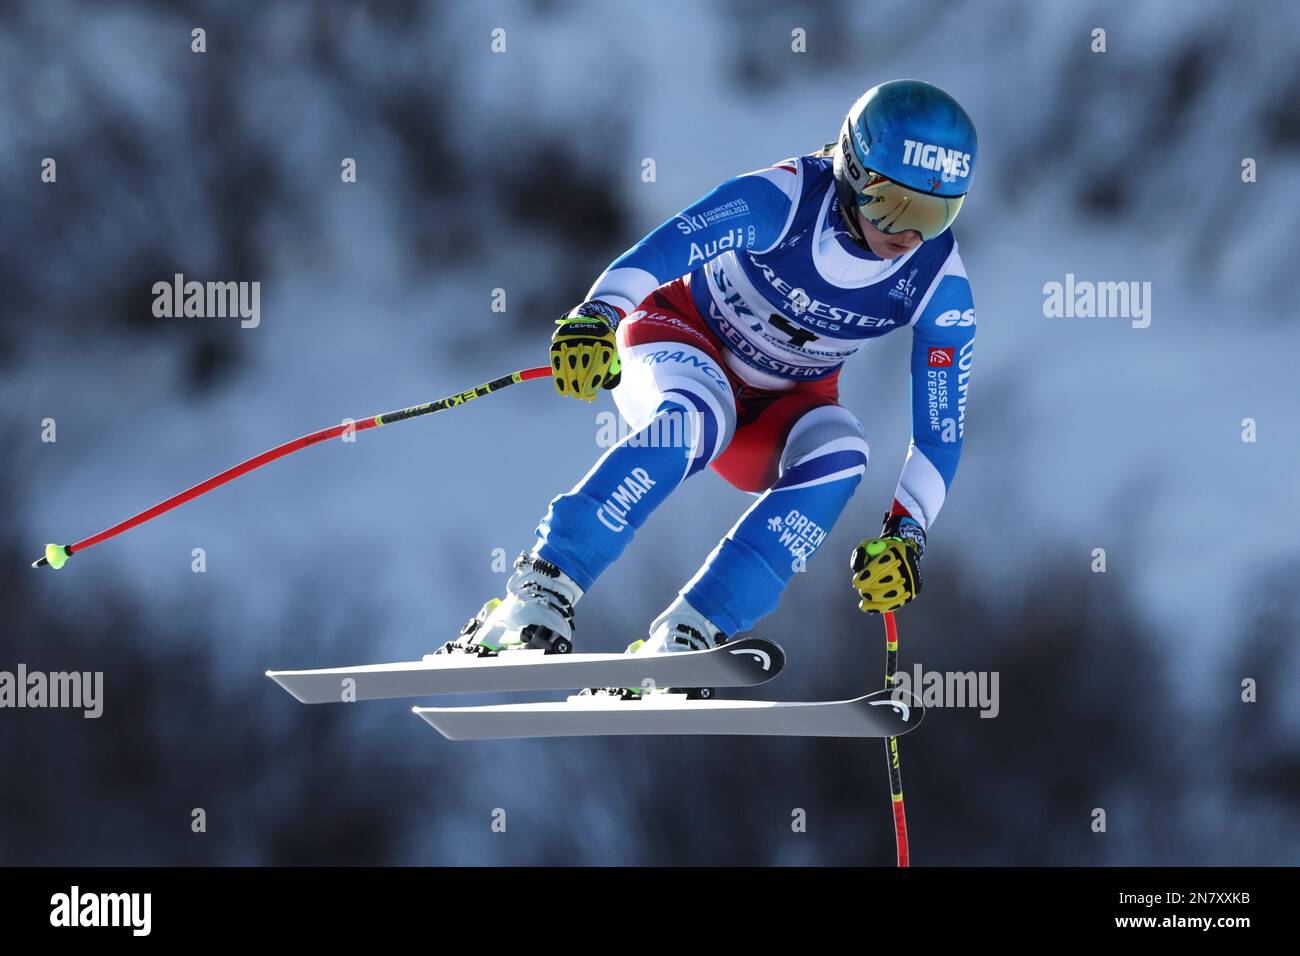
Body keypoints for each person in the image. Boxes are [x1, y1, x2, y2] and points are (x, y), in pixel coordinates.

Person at [439, 79, 978, 680]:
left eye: (936, 213)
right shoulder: (787, 200)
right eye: (891, 205)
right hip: (676, 337)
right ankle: (537, 595)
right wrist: (598, 315)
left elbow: (939, 434)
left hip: (782, 408)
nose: (907, 235)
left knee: (844, 449)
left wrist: (908, 537)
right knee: (702, 412)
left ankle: (692, 636)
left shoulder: (938, 284)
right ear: (851, 169)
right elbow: (666, 248)